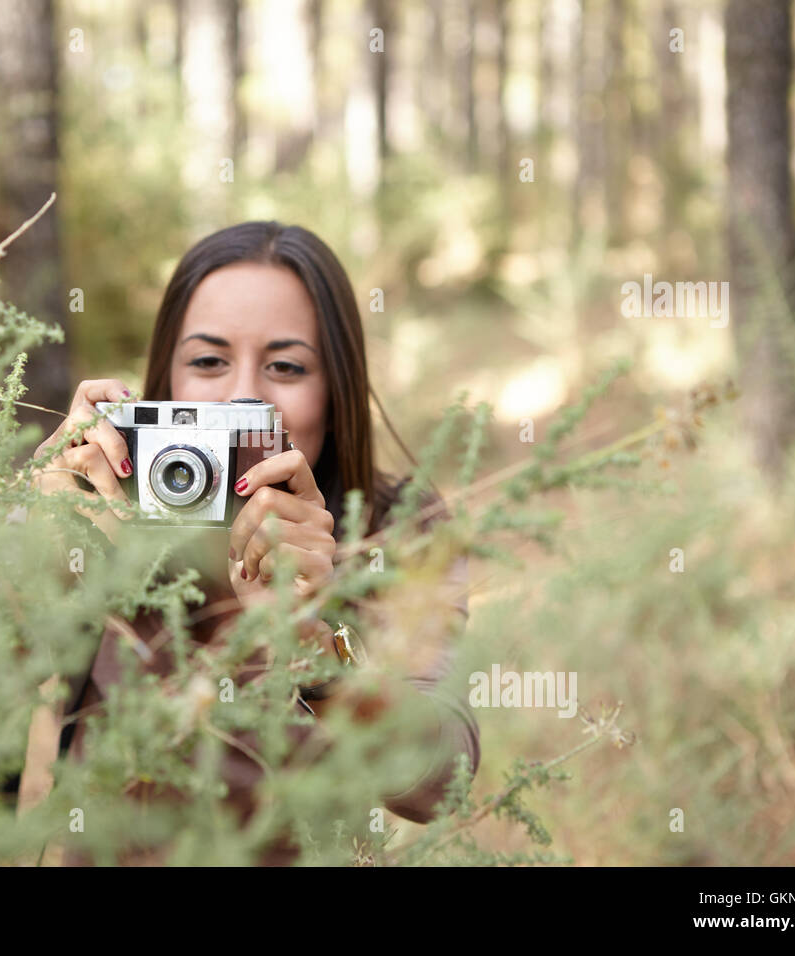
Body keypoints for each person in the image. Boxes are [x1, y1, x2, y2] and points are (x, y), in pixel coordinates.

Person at [23, 222, 476, 864]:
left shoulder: (398, 526)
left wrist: (315, 643)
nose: (242, 395)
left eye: (286, 366)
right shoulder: (89, 504)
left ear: (335, 390)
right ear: (164, 383)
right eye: (208, 361)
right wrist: (35, 572)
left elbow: (441, 781)